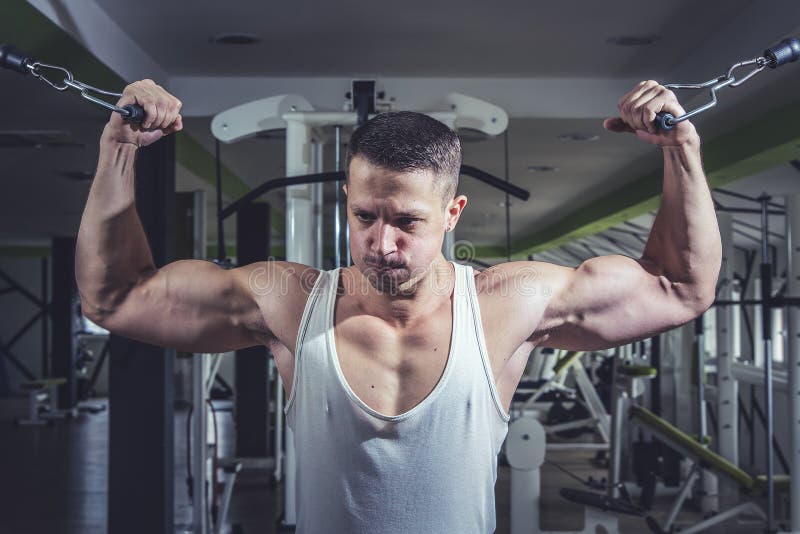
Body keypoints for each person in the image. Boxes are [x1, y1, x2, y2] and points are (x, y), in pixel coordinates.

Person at [75, 79, 721, 533]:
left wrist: (680, 149)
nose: (381, 243)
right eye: (364, 216)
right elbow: (115, 298)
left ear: (452, 212)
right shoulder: (290, 302)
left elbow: (680, 287)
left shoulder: (507, 304)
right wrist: (119, 150)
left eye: (407, 221)